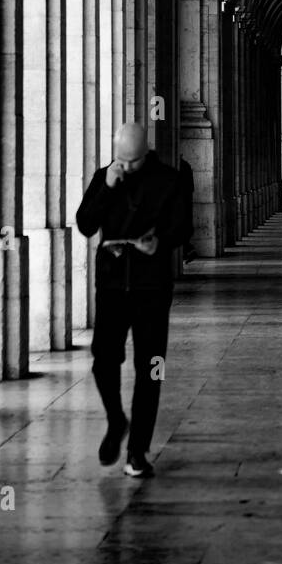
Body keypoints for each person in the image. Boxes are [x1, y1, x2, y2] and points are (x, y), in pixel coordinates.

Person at [76, 122, 186, 478]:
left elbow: (184, 227)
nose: (125, 167)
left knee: (150, 367)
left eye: (132, 162)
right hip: (111, 286)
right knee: (103, 360)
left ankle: (138, 451)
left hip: (151, 287)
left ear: (145, 154)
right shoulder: (104, 177)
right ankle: (116, 419)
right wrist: (106, 188)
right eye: (120, 160)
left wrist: (160, 243)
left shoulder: (169, 180)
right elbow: (85, 224)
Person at [179, 155, 196, 260]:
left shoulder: (179, 167)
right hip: (186, 201)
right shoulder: (186, 165)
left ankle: (187, 250)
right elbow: (191, 187)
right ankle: (187, 250)